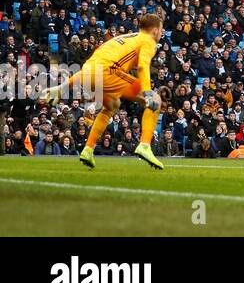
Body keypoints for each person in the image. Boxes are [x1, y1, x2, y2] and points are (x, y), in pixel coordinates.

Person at [36, 12, 166, 170]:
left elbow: (90, 68)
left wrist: (63, 87)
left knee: (112, 105)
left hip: (87, 73)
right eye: (161, 29)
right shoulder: (148, 41)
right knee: (156, 100)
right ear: (155, 31)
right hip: (108, 72)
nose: (161, 33)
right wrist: (147, 92)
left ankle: (88, 149)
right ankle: (145, 145)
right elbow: (142, 66)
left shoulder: (124, 38)